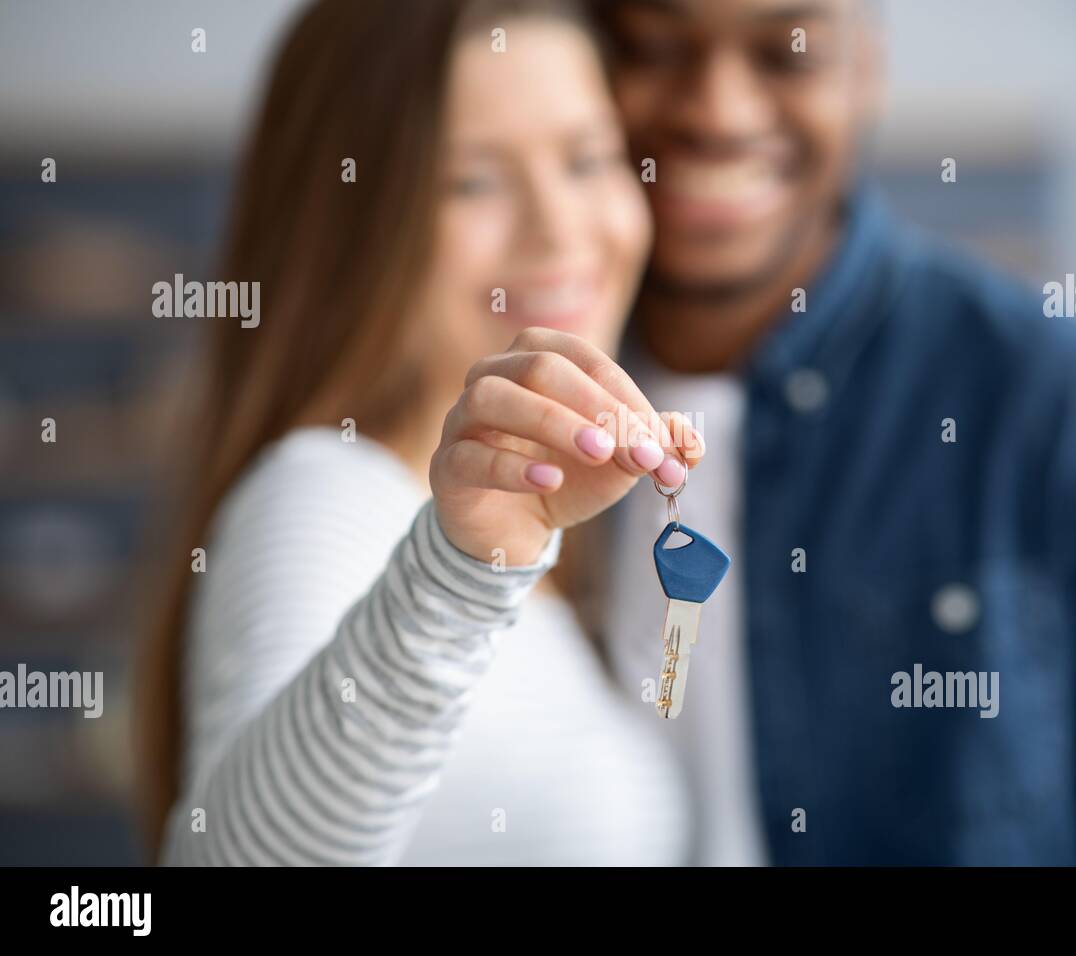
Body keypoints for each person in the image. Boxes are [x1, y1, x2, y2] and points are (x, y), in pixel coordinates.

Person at [593, 0, 1076, 864]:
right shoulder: (489, 415)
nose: (716, 110)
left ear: (867, 71)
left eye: (788, 52)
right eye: (653, 48)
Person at [133, 0, 707, 865]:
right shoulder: (326, 491)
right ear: (349, 220)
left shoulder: (547, 530)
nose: (559, 230)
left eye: (590, 159)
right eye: (472, 180)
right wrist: (462, 569)